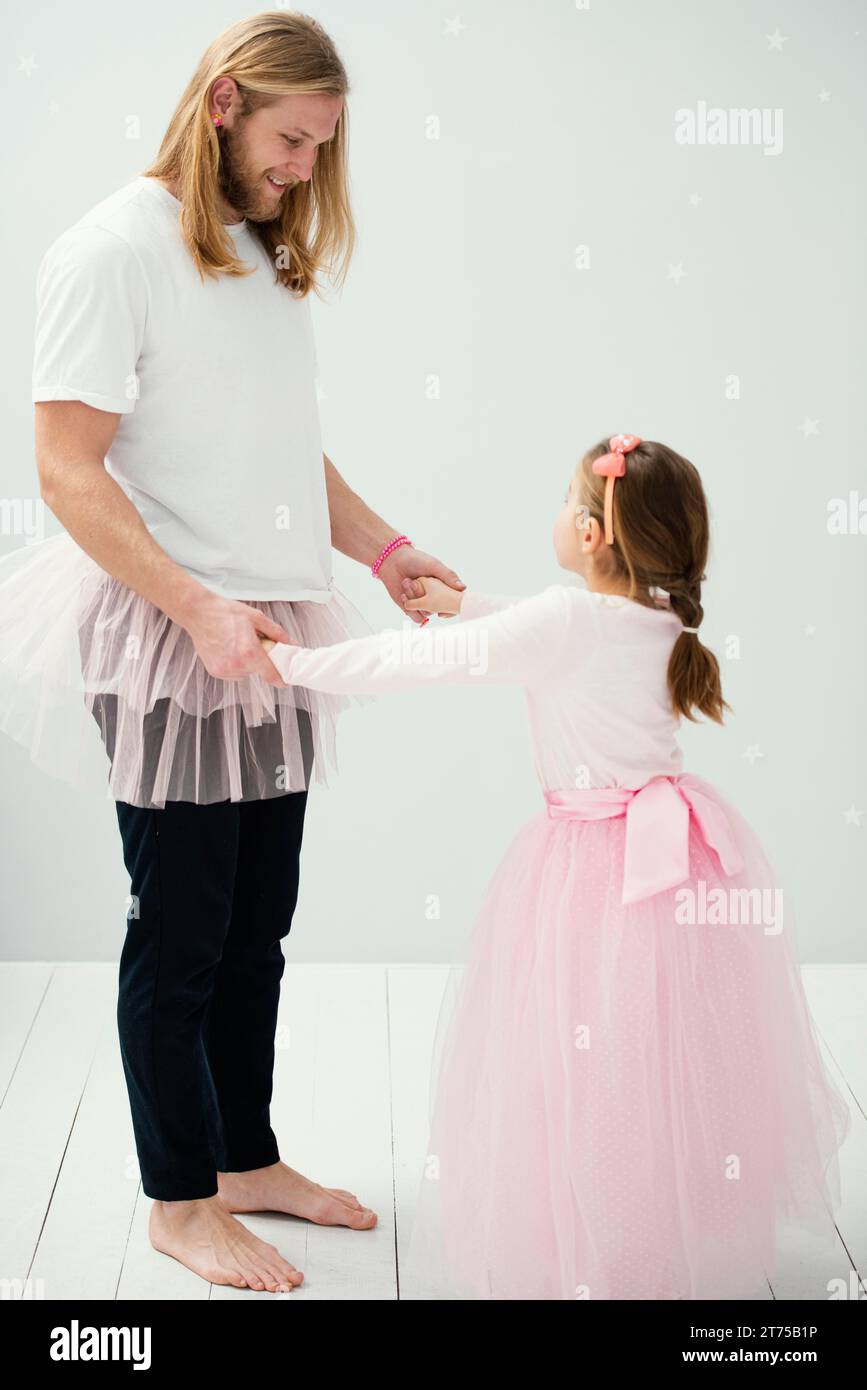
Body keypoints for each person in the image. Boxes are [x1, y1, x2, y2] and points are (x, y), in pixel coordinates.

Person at [0, 12, 463, 1293]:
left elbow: (275, 451)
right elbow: (64, 468)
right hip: (167, 636)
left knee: (260, 924)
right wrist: (194, 605)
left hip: (268, 635)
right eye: (292, 139)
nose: (308, 168)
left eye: (324, 146)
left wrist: (383, 551)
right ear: (220, 104)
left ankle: (245, 1156)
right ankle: (177, 1197)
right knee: (183, 931)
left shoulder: (255, 254)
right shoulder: (109, 250)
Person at [259, 433, 852, 1300]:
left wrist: (287, 663)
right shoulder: (657, 618)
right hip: (672, 867)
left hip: (594, 874)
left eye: (561, 504)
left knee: (584, 1061)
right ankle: (670, 1224)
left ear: (588, 532)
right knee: (655, 1060)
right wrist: (459, 603)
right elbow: (524, 619)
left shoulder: (569, 621)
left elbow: (415, 661)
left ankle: (597, 1237)